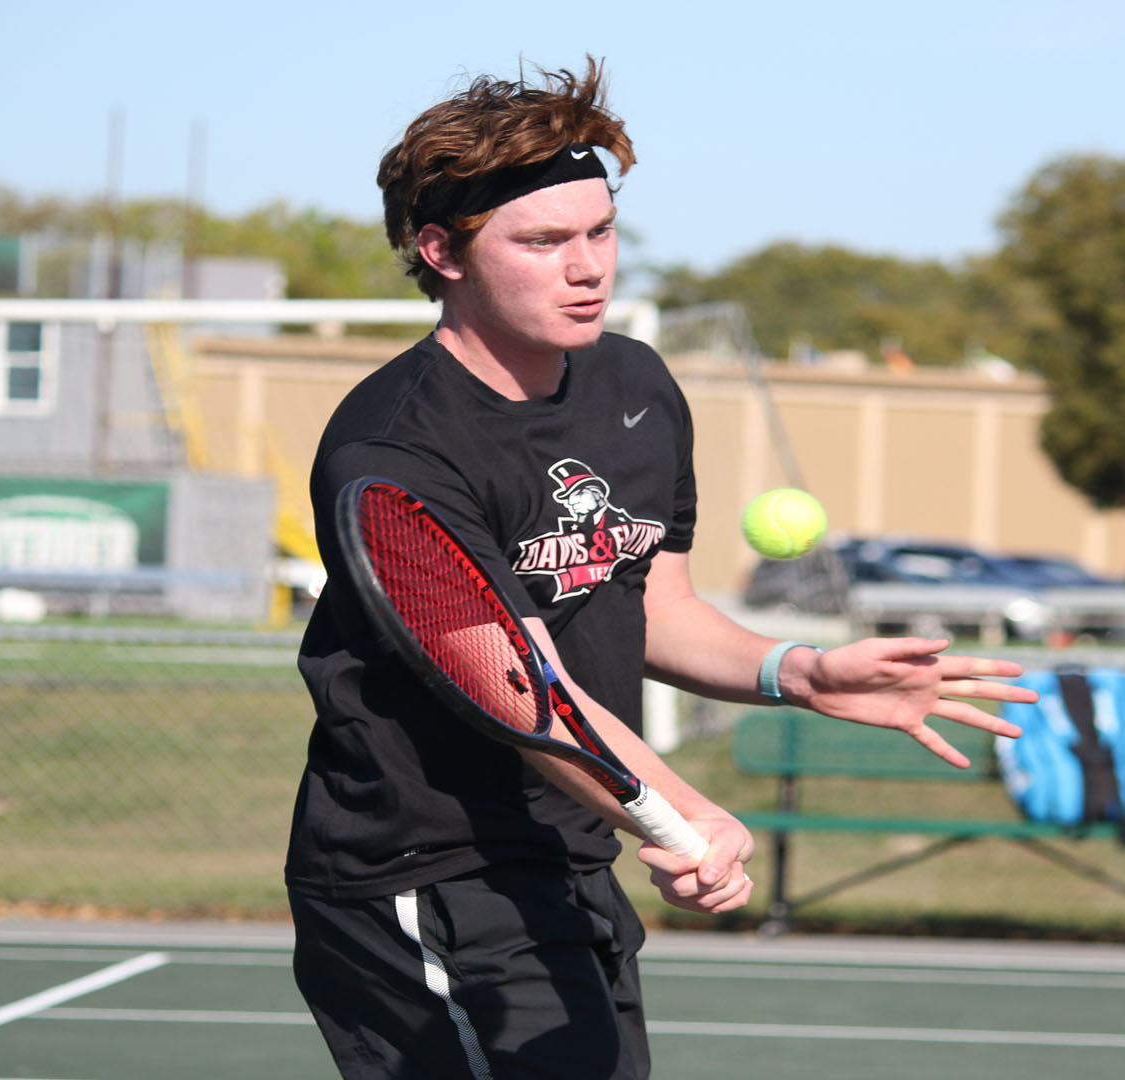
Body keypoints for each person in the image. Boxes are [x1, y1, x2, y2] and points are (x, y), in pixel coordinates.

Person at [285, 57, 1039, 1079]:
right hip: (424, 878)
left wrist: (800, 672)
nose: (587, 267)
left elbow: (655, 602)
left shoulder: (632, 383)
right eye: (543, 242)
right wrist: (685, 814)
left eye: (600, 232)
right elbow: (525, 694)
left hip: (570, 855)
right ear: (441, 251)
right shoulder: (394, 453)